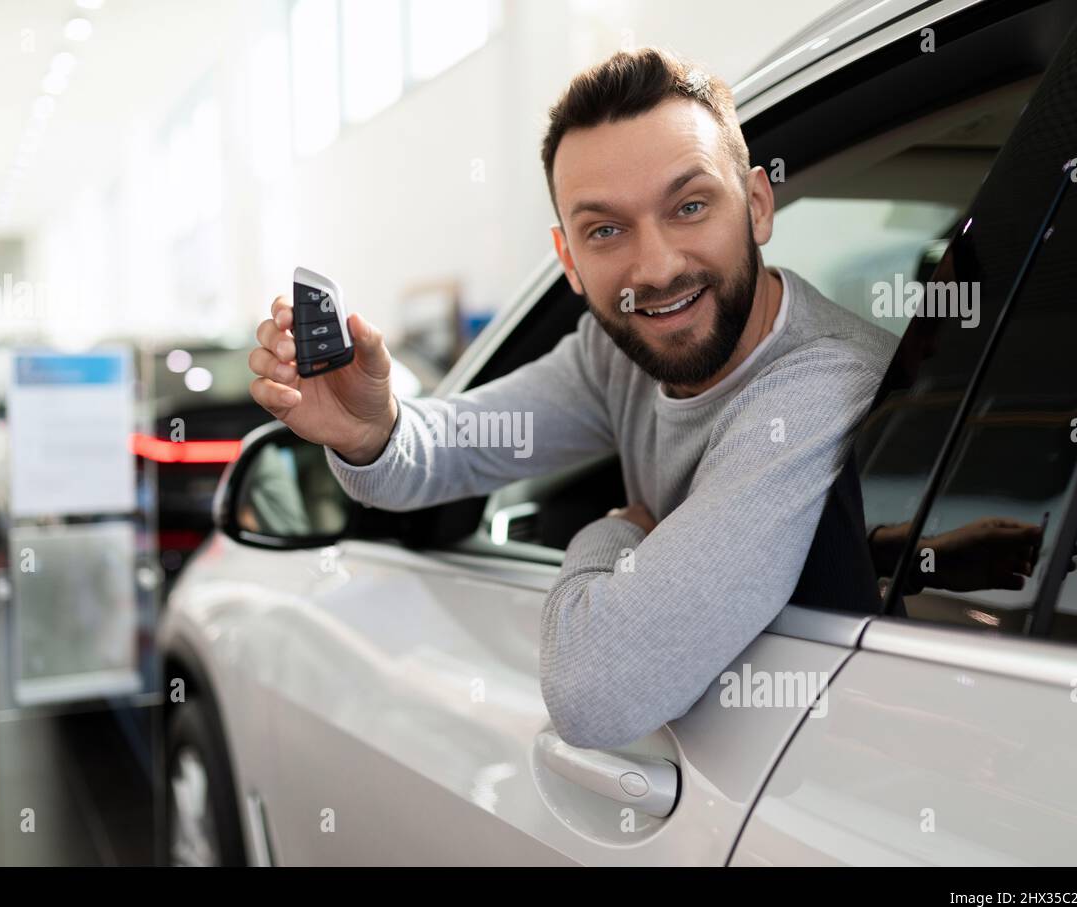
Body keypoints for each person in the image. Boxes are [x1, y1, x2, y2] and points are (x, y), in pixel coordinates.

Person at [249, 47, 902, 749]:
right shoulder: (616, 356)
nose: (655, 268)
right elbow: (453, 450)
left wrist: (615, 531)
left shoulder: (820, 385)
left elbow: (598, 693)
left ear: (758, 205)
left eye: (689, 205)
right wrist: (370, 427)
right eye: (606, 231)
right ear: (568, 261)